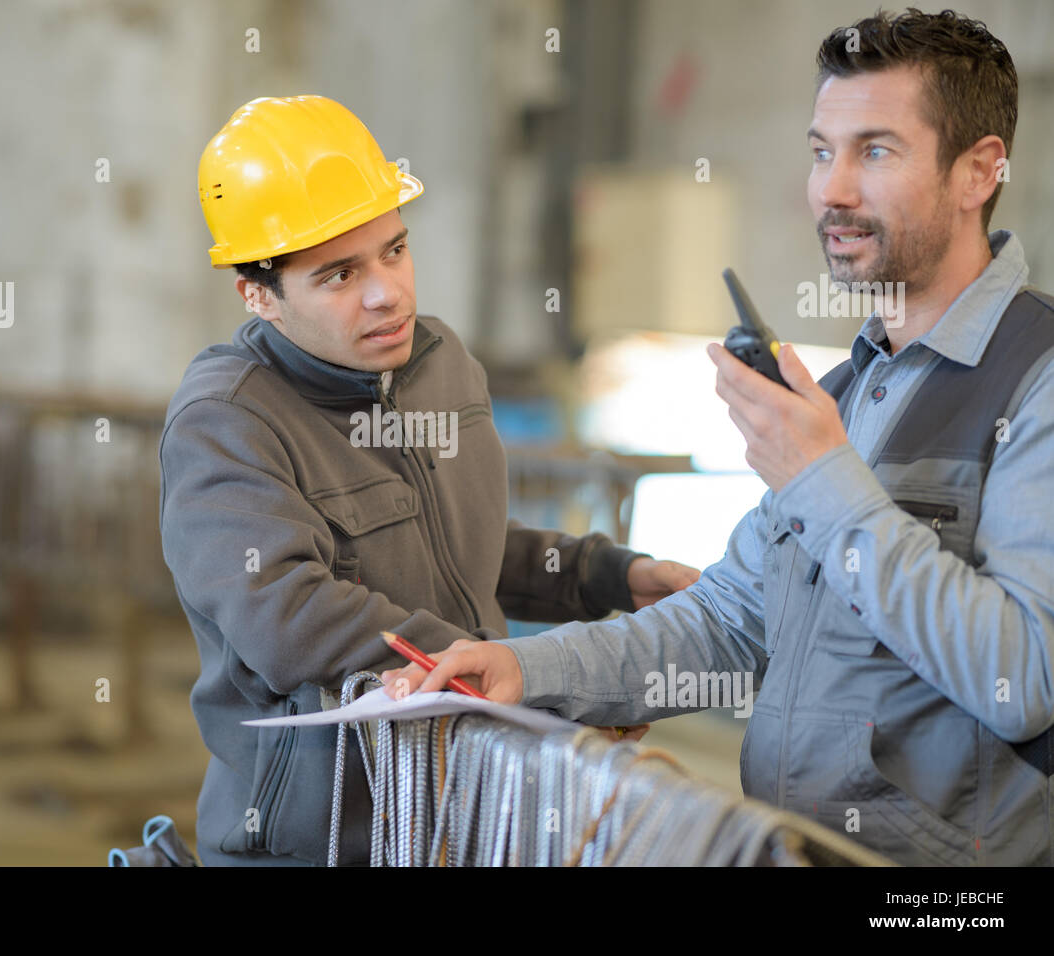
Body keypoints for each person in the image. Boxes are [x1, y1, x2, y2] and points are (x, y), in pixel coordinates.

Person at [386, 9, 1054, 867]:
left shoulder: (1035, 381)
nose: (832, 190)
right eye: (822, 150)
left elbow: (1025, 680)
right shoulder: (850, 393)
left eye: (875, 152)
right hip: (795, 849)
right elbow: (737, 619)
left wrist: (819, 476)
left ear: (979, 172)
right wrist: (529, 671)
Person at [159, 95, 700, 866]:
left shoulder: (439, 366)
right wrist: (525, 684)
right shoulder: (229, 421)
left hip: (471, 809)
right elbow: (287, 618)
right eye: (338, 273)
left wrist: (606, 574)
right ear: (258, 295)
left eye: (394, 250)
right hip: (323, 842)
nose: (387, 293)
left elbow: (461, 544)